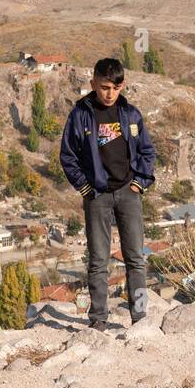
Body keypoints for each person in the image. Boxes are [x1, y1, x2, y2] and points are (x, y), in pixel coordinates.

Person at [59, 56, 156, 330]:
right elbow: (68, 156)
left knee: (135, 257)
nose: (109, 93)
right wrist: (85, 187)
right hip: (97, 196)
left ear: (122, 86)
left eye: (115, 87)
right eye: (104, 87)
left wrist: (140, 182)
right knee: (99, 260)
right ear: (93, 84)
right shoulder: (80, 114)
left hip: (129, 192)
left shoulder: (131, 114)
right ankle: (99, 320)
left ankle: (139, 318)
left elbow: (147, 151)